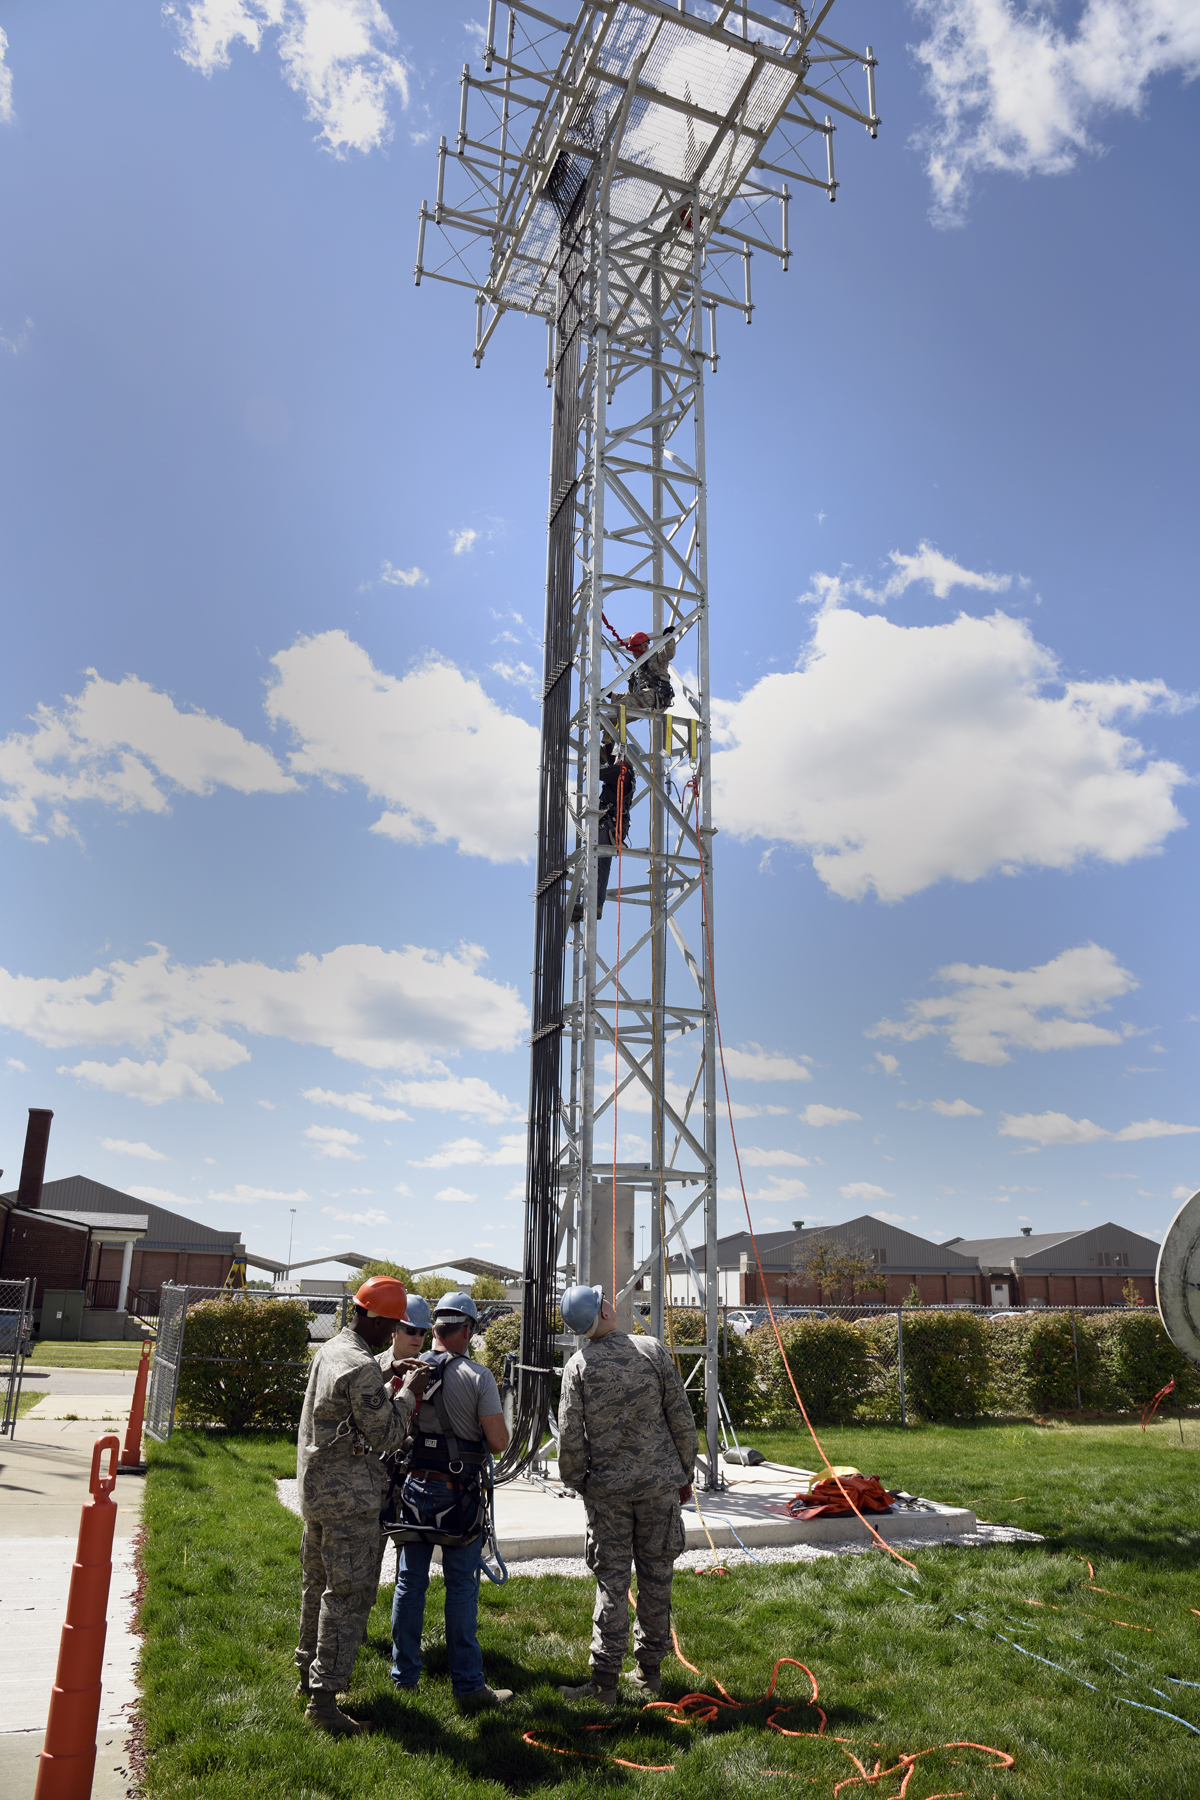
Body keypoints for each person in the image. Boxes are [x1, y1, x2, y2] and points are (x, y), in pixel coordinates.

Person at [295, 1276, 431, 1735]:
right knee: (348, 1596)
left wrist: (388, 1377)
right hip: (349, 1502)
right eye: (392, 1325)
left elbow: (352, 1407)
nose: (394, 1333)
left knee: (317, 1586)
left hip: (317, 1494)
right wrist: (409, 1388)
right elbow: (388, 1433)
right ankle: (325, 1702)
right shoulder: (359, 1365)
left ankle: (306, 1675)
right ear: (374, 1320)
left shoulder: (332, 1350)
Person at [556, 1284, 698, 1705]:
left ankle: (604, 1684)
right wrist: (681, 1473)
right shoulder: (651, 1351)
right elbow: (681, 1418)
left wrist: (581, 1481)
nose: (610, 1304)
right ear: (600, 1314)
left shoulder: (578, 1367)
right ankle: (649, 1673)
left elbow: (570, 1439)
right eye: (604, 1301)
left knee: (613, 1583)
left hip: (608, 1494)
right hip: (659, 1489)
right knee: (657, 1577)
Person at [390, 1291, 513, 1711]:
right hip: (458, 1495)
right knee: (461, 1586)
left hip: (415, 1487)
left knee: (410, 1583)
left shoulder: (409, 1372)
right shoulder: (478, 1377)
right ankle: (467, 1686)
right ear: (466, 1330)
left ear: (435, 1329)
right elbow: (497, 1441)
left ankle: (402, 1679)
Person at [626, 629, 676, 711]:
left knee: (624, 704)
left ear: (645, 646)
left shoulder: (656, 657)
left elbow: (669, 653)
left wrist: (668, 638)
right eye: (633, 651)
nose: (634, 654)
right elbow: (631, 693)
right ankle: (603, 722)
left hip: (657, 695)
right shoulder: (636, 671)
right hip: (644, 698)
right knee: (619, 707)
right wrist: (612, 695)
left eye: (636, 650)